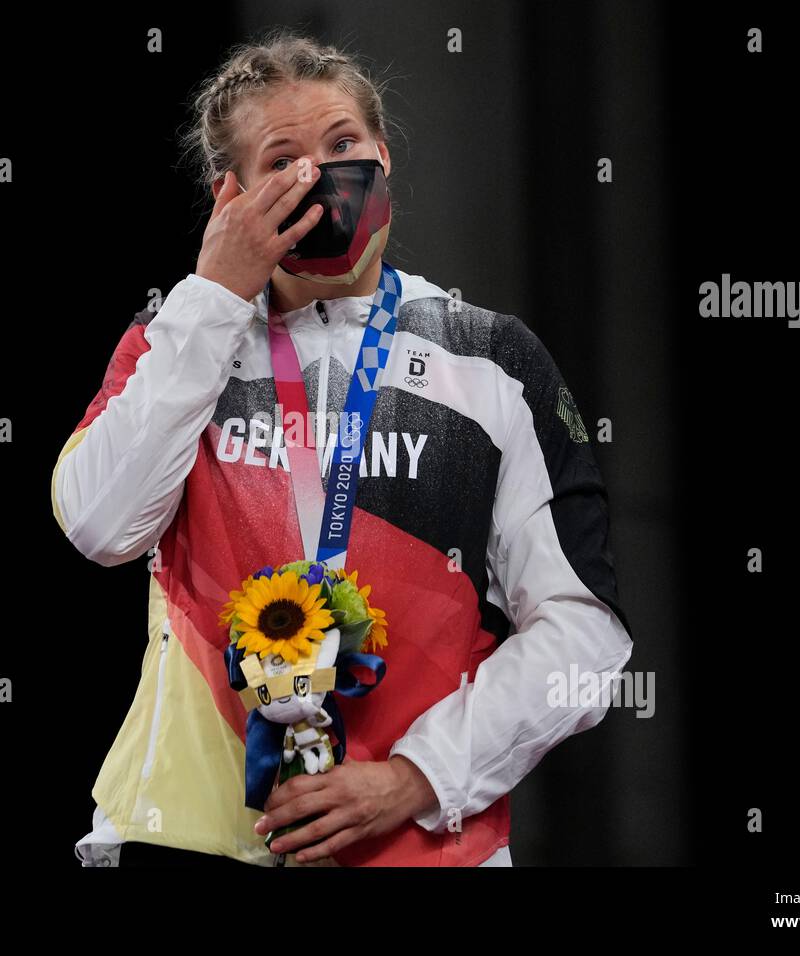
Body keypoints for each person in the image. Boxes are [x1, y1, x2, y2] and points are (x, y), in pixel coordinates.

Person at [53, 29, 634, 868]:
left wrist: (417, 776)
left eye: (343, 146)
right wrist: (215, 296)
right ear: (232, 196)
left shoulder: (492, 361)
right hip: (182, 839)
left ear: (385, 160)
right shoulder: (175, 338)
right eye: (282, 157)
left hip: (420, 846)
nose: (318, 177)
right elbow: (100, 527)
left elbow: (584, 634)